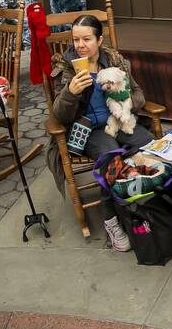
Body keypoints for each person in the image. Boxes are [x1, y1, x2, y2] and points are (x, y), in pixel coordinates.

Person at [49, 14, 154, 251]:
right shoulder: (66, 68)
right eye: (76, 40)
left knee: (148, 143)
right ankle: (111, 221)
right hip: (87, 130)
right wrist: (70, 93)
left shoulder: (115, 62)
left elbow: (139, 94)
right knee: (110, 155)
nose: (80, 45)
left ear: (99, 39)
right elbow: (59, 116)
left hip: (115, 120)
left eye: (86, 39)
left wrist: (125, 101)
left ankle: (148, 202)